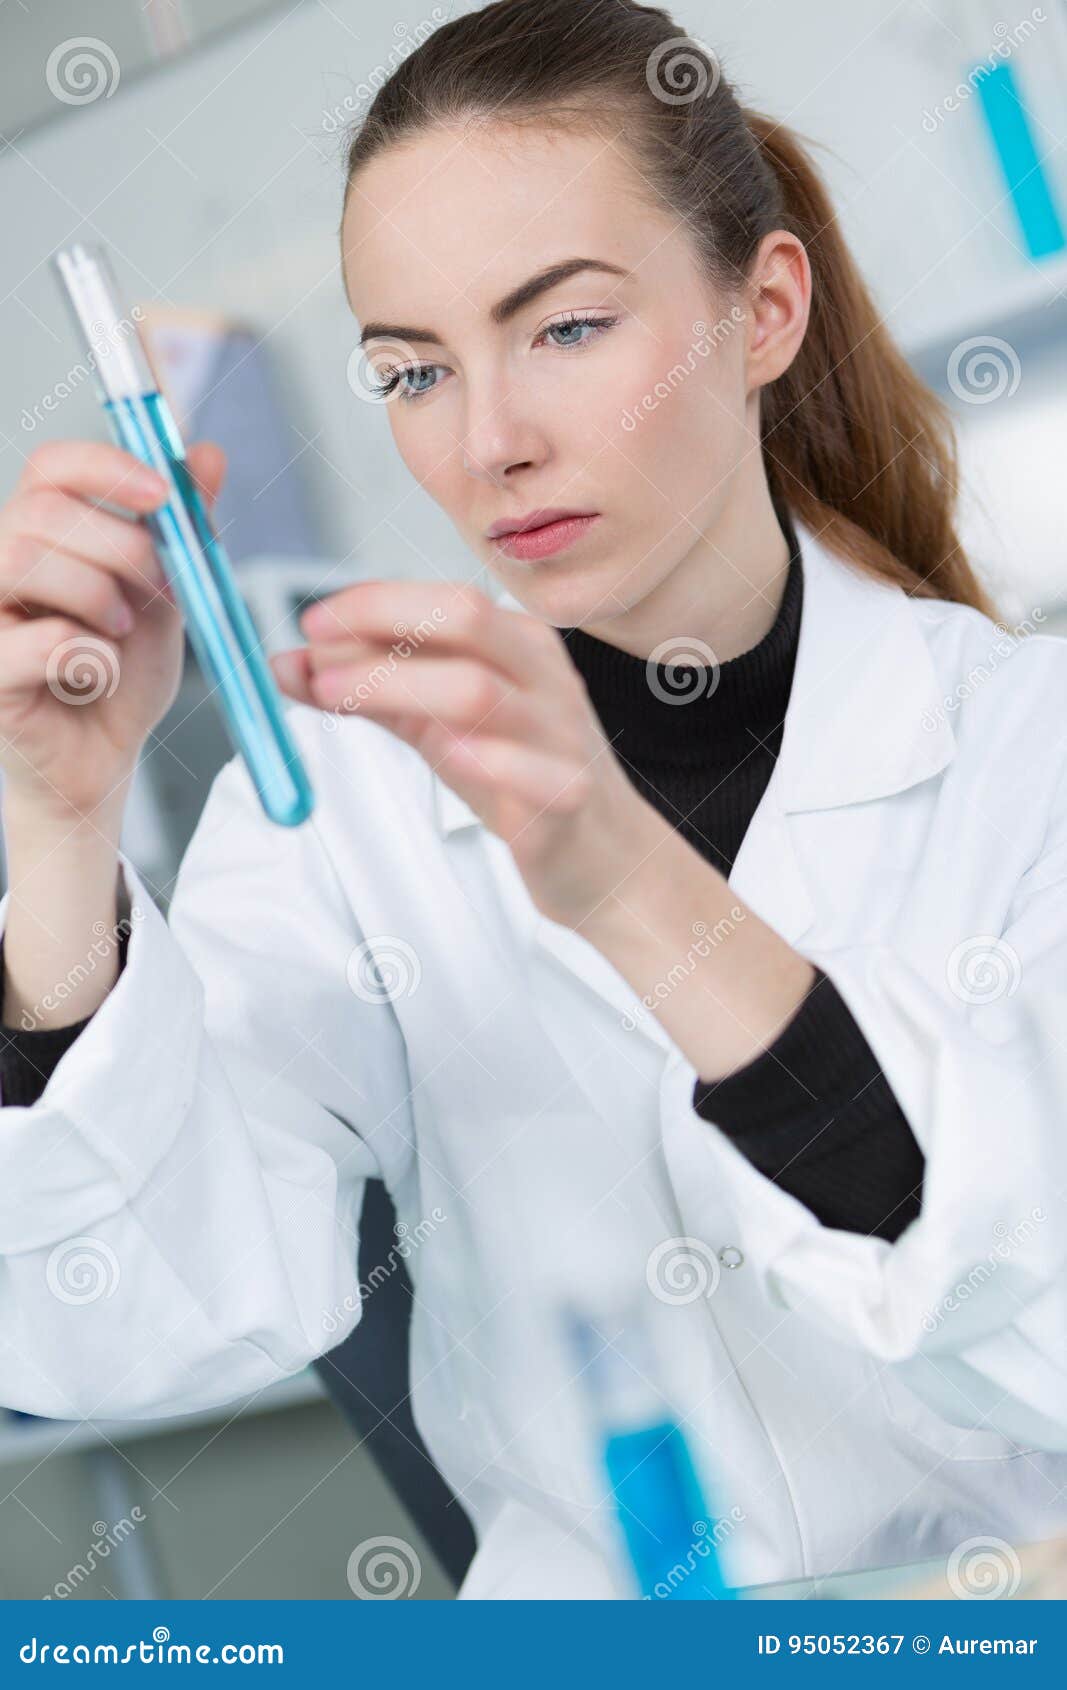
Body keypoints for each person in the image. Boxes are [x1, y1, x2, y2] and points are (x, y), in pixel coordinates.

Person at [1, 0, 1065, 1601]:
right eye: (413, 369)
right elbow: (135, 1314)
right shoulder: (346, 795)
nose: (488, 440)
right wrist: (58, 829)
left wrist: (628, 880)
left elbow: (1031, 1295)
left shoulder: (1025, 749)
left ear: (762, 308)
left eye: (566, 329)